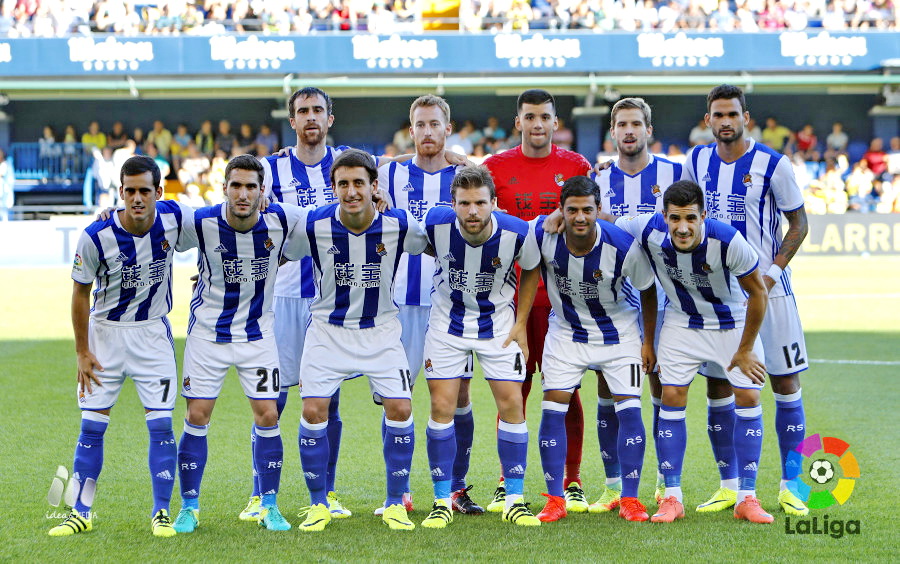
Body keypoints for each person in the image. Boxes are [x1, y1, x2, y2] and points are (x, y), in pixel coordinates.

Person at [684, 84, 811, 517]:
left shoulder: (773, 165)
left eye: (732, 114)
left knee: (784, 382)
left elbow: (799, 224)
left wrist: (773, 273)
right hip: (717, 295)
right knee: (720, 386)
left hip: (770, 294)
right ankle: (729, 485)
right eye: (717, 114)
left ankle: (791, 485)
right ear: (708, 120)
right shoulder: (696, 160)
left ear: (746, 117)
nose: (725, 121)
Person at [49, 155, 192, 538]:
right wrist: (82, 351)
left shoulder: (175, 219)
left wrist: (260, 199)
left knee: (161, 426)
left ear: (159, 192)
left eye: (145, 191)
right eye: (129, 191)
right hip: (105, 336)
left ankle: (161, 512)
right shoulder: (96, 236)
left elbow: (220, 220)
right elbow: (80, 295)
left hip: (152, 336)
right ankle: (81, 511)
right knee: (91, 428)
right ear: (120, 193)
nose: (137, 199)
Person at [616, 179, 774, 525]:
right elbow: (602, 219)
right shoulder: (648, 229)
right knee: (671, 396)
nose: (682, 227)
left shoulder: (729, 241)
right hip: (681, 321)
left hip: (731, 322)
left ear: (703, 215)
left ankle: (747, 497)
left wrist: (746, 349)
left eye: (690, 218)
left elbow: (758, 295)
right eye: (675, 219)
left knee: (748, 396)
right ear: (664, 215)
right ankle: (672, 497)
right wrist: (556, 218)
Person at [288, 149, 428, 532]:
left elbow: (434, 243)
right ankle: (318, 504)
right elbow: (280, 253)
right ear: (333, 188)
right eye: (343, 184)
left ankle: (395, 502)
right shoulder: (313, 224)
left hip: (381, 329)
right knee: (314, 410)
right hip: (327, 330)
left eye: (359, 183)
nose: (351, 191)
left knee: (400, 408)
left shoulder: (399, 224)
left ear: (374, 186)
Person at [172, 154, 306, 534]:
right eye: (236, 186)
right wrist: (109, 214)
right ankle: (190, 507)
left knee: (268, 416)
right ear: (224, 188)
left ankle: (269, 506)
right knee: (197, 417)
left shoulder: (280, 221)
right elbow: (157, 218)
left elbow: (325, 215)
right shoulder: (201, 222)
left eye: (251, 186)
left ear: (263, 191)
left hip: (258, 336)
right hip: (207, 337)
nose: (243, 194)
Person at [483, 89, 592, 513]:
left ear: (555, 122)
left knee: (566, 389)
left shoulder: (575, 166)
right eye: (530, 117)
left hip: (565, 298)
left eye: (545, 117)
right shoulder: (495, 167)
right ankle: (505, 480)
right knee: (514, 388)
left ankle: (572, 479)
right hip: (513, 299)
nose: (538, 124)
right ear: (519, 123)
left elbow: (587, 216)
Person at [419, 165, 542, 529]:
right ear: (452, 204)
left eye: (479, 203)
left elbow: (532, 268)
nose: (472, 211)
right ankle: (442, 500)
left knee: (512, 405)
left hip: (498, 326)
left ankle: (515, 500)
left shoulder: (518, 233)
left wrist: (521, 321)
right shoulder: (435, 223)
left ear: (494, 203)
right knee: (442, 406)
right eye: (464, 204)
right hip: (446, 324)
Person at [377, 94, 482, 516]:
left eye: (434, 124)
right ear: (411, 129)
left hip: (449, 306)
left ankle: (456, 489)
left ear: (448, 127)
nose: (427, 132)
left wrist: (465, 162)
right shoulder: (389, 172)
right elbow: (347, 168)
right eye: (419, 125)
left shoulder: (467, 178)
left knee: (458, 397)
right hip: (396, 305)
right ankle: (397, 492)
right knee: (395, 398)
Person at [531, 176, 657, 524]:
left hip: (619, 335)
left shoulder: (622, 244)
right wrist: (544, 221)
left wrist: (647, 341)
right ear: (562, 210)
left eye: (588, 209)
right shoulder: (543, 235)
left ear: (599, 210)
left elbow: (647, 289)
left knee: (629, 411)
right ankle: (555, 498)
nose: (581, 217)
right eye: (572, 210)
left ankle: (630, 499)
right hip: (567, 333)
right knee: (553, 408)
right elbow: (508, 230)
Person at [589, 97, 682, 511]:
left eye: (636, 124)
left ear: (649, 130)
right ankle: (613, 486)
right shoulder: (598, 180)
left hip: (664, 298)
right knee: (608, 386)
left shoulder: (675, 174)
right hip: (612, 301)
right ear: (612, 132)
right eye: (621, 124)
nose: (629, 131)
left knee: (661, 383)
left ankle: (665, 481)